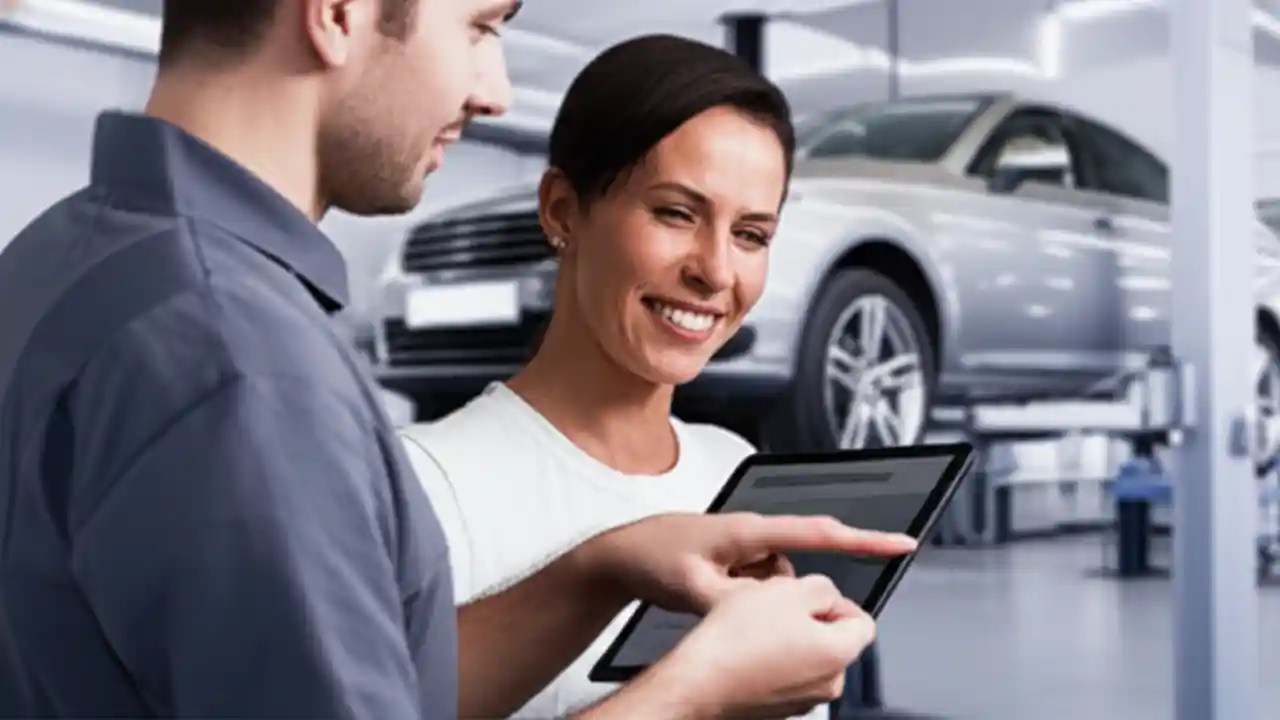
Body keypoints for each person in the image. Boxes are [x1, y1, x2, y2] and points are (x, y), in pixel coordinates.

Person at [0, 2, 916, 719]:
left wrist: (596, 569)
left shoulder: (72, 258)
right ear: (337, 12)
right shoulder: (238, 361)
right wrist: (691, 692)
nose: (495, 91)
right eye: (480, 26)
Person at [399, 33, 854, 719]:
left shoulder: (736, 472)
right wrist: (697, 691)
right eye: (675, 213)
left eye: (751, 235)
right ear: (562, 211)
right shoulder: (427, 485)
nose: (716, 271)